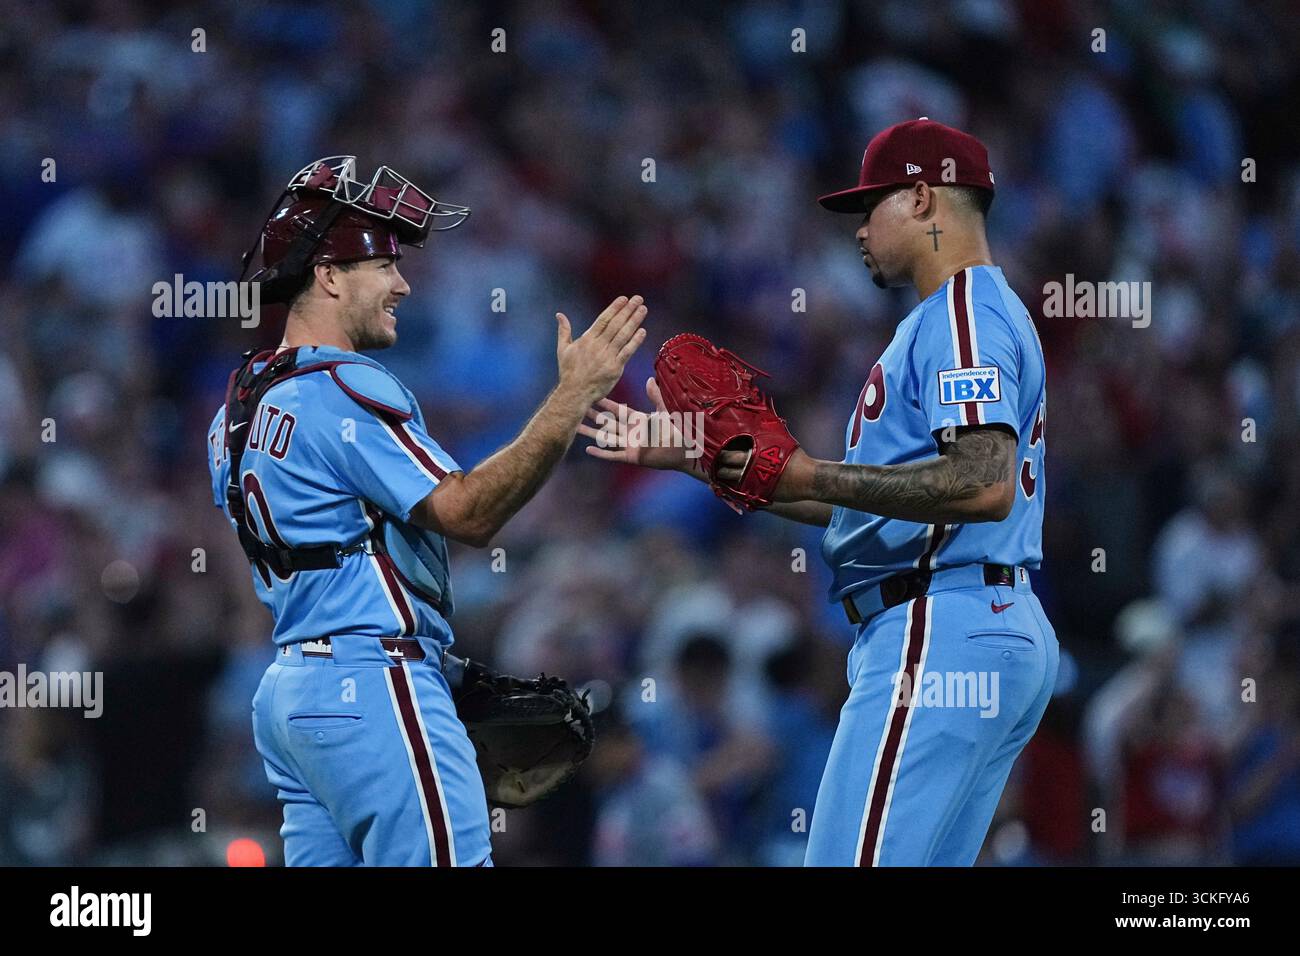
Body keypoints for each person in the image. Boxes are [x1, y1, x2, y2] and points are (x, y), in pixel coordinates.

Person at [582, 119, 1057, 865]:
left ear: (924, 198)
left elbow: (981, 481)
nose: (859, 230)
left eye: (871, 207)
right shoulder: (951, 319)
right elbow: (872, 506)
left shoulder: (964, 312)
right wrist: (699, 459)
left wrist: (802, 469)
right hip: (968, 617)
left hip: (942, 625)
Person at [206, 156, 646, 865]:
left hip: (292, 693)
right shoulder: (344, 386)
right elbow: (469, 513)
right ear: (328, 276)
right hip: (372, 681)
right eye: (383, 266)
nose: (403, 284)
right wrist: (572, 398)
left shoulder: (237, 406)